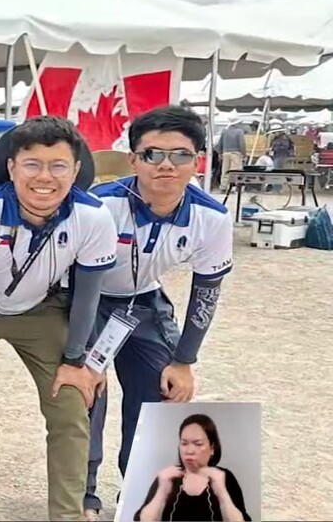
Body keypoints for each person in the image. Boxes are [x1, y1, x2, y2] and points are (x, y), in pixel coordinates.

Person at [0, 116, 118, 522]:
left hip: (41, 310)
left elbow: (88, 294)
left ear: (77, 169)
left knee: (71, 404)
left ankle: (67, 514)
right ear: (12, 167)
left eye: (58, 165)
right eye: (32, 164)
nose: (44, 177)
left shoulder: (94, 216)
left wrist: (74, 361)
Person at [84, 107, 234, 520]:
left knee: (162, 397)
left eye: (181, 155)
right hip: (86, 300)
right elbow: (76, 277)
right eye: (152, 154)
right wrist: (82, 356)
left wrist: (184, 360)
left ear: (198, 161)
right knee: (84, 394)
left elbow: (207, 292)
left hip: (144, 302)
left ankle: (139, 497)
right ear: (132, 159)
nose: (166, 164)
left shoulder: (213, 218)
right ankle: (83, 495)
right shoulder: (100, 204)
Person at [135, 414, 250, 521]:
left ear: (212, 448)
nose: (189, 451)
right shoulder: (169, 477)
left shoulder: (225, 477)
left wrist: (222, 494)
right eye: (184, 444)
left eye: (198, 444)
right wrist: (162, 492)